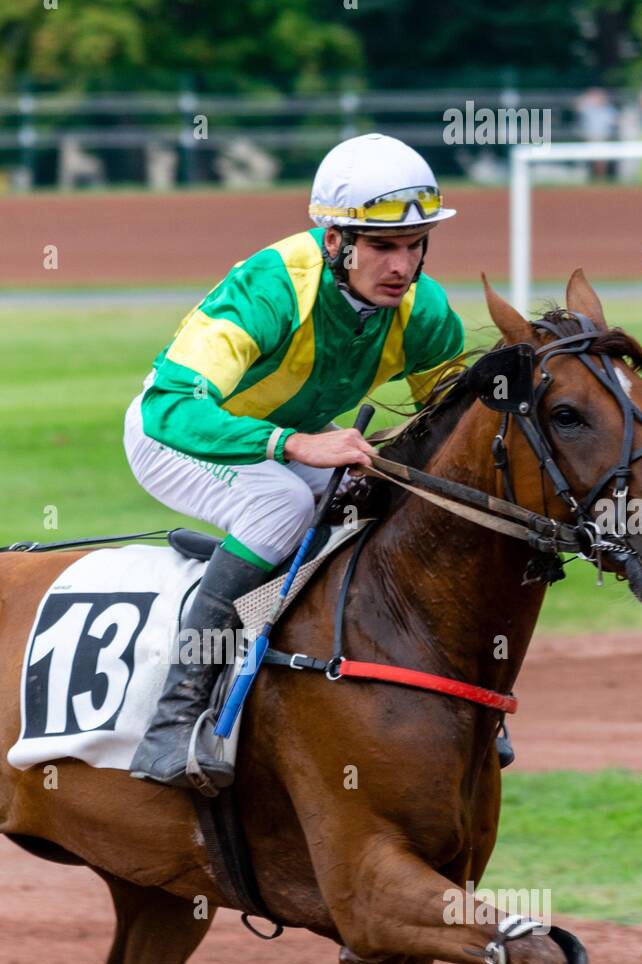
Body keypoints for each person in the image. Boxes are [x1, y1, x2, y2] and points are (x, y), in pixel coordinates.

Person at [125, 132, 465, 788]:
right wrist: (293, 445)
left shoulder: (424, 313)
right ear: (336, 242)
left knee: (386, 497)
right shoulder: (270, 287)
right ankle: (174, 722)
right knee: (278, 502)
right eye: (383, 246)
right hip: (176, 438)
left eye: (415, 245)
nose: (402, 266)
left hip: (286, 437)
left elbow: (452, 423)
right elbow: (173, 407)